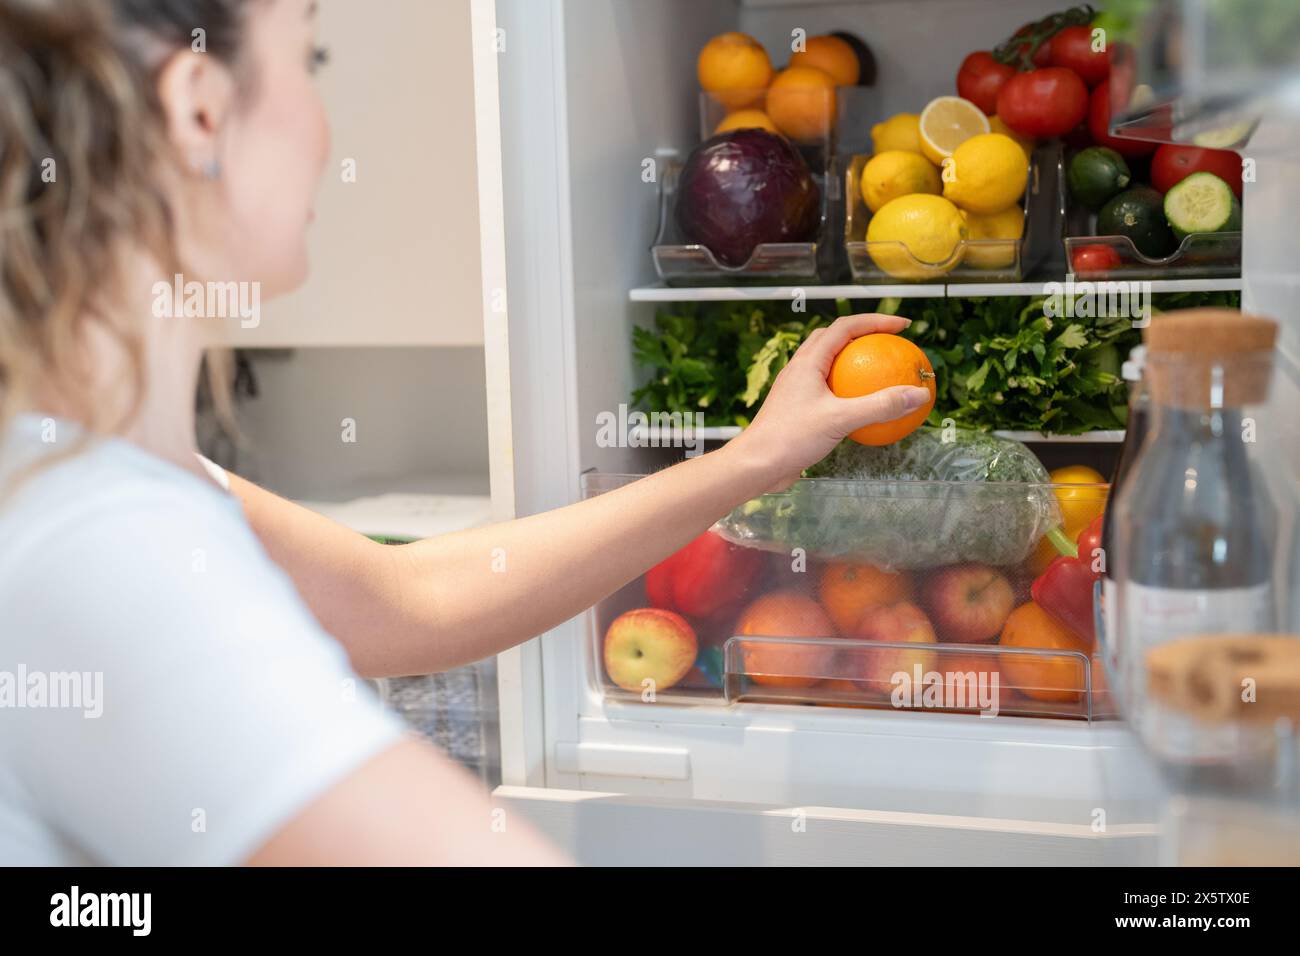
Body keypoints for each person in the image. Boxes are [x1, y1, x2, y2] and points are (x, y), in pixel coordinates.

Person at [0, 0, 931, 865]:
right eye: (308, 58)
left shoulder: (83, 476)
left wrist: (753, 460)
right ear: (201, 113)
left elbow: (406, 600)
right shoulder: (97, 542)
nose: (327, 129)